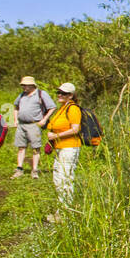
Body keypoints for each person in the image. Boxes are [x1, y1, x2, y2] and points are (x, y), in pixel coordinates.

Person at [43, 82, 83, 224]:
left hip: (69, 148)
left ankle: (66, 213)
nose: (60, 95)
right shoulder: (62, 108)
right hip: (60, 148)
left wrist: (56, 136)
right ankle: (62, 210)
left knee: (66, 179)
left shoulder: (73, 109)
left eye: (63, 93)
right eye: (58, 92)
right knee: (58, 179)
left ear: (70, 95)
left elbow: (75, 129)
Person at [11, 76, 55, 179]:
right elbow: (16, 107)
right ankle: (19, 168)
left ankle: (34, 170)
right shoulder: (22, 95)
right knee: (21, 147)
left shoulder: (41, 94)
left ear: (32, 85)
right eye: (23, 85)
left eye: (26, 85)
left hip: (34, 124)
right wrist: (15, 119)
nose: (24, 87)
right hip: (22, 124)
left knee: (36, 148)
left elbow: (52, 107)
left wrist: (44, 120)